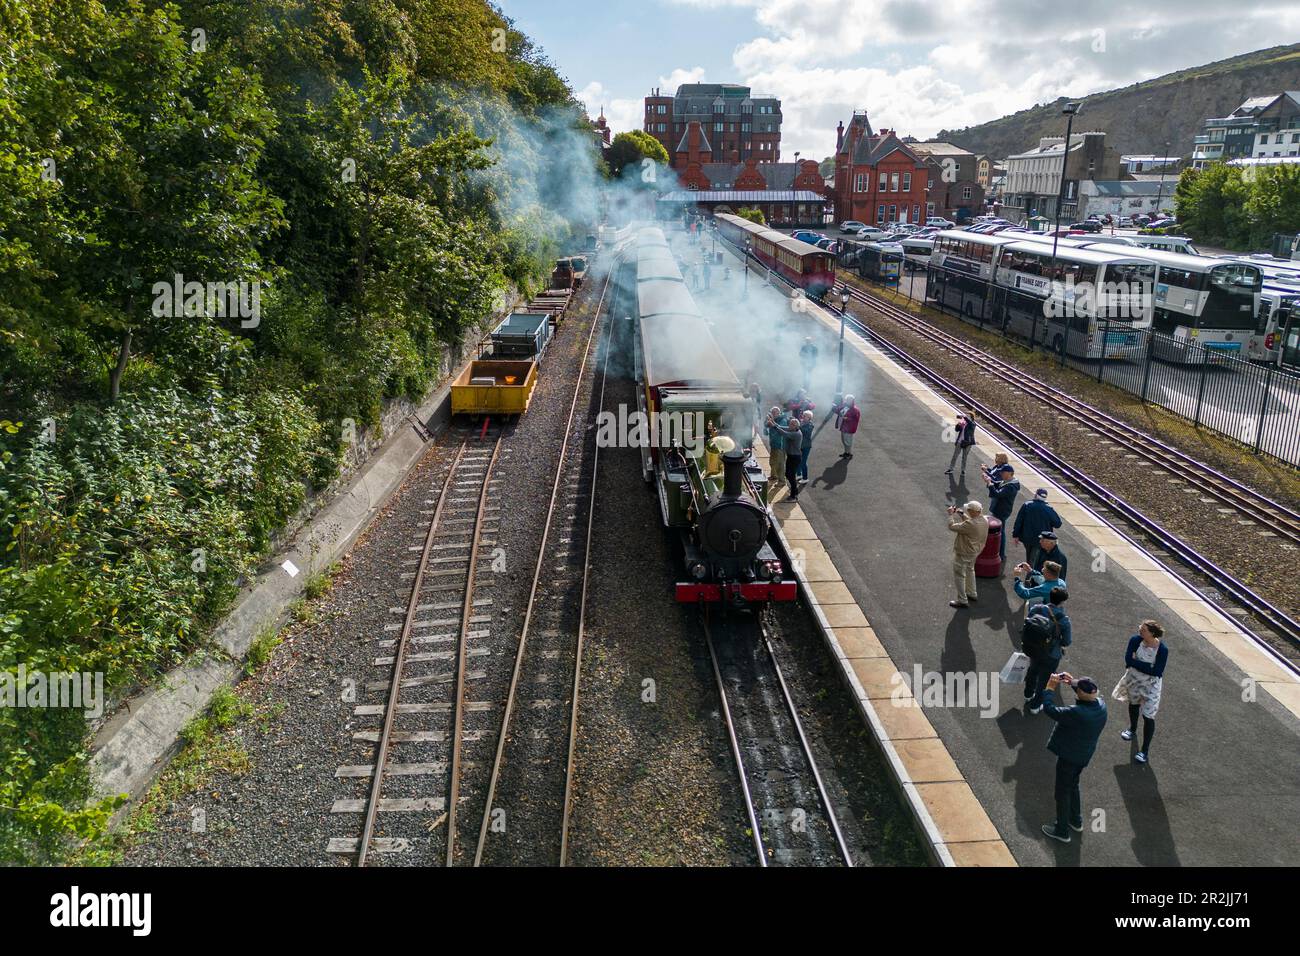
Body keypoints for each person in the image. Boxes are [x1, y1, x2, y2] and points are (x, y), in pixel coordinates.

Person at [1038, 673, 1107, 844]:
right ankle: (1075, 820)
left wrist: (1049, 689)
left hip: (1069, 756)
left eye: (1077, 689)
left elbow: (1050, 710)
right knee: (1073, 785)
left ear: (1082, 694)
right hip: (1083, 756)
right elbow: (1084, 692)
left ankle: (1062, 831)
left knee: (1062, 792)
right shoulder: (1101, 705)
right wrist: (1073, 683)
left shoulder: (1077, 712)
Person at [1112, 620, 1168, 764]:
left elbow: (1157, 671)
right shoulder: (1136, 640)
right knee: (1133, 704)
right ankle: (1132, 728)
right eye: (1140, 628)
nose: (1140, 631)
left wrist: (1135, 662)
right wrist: (1147, 665)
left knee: (1149, 716)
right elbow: (1127, 660)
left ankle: (1145, 750)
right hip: (1135, 680)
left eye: (1143, 630)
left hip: (1151, 685)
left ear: (1152, 633)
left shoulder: (1162, 649)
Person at [1022, 587, 1071, 713]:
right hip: (1051, 654)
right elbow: (1066, 641)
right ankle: (1035, 706)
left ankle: (1028, 694)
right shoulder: (1063, 619)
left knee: (1033, 671)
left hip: (1034, 647)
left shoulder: (1036, 608)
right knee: (1044, 681)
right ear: (1062, 602)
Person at [947, 500, 989, 609]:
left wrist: (951, 515)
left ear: (973, 511)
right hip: (975, 551)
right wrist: (962, 514)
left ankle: (962, 600)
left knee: (959, 574)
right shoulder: (984, 520)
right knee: (970, 570)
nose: (968, 511)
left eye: (969, 510)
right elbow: (971, 522)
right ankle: (972, 592)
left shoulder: (970, 524)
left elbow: (952, 526)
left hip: (964, 552)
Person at [1012, 488, 1062, 567]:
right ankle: (1031, 576)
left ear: (1035, 495)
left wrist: (1015, 535)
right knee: (1035, 561)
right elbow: (1058, 524)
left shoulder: (1027, 505)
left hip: (1027, 538)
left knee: (1030, 558)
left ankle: (1031, 574)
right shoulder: (1048, 509)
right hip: (1041, 540)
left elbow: (1019, 522)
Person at [984, 464, 1020, 563]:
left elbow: (998, 494)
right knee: (1000, 531)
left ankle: (1001, 553)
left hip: (1001, 511)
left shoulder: (1010, 486)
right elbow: (997, 483)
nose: (1001, 474)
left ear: (1010, 473)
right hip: (1000, 510)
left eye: (1003, 472)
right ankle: (999, 552)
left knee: (1000, 533)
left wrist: (990, 484)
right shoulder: (1007, 482)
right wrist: (989, 480)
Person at [776, 413, 804, 500]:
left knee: (791, 476)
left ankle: (793, 495)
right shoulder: (793, 430)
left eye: (792, 424)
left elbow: (784, 433)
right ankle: (794, 490)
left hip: (795, 457)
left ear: (796, 426)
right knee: (788, 474)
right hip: (791, 456)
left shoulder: (796, 434)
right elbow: (784, 428)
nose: (789, 425)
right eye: (790, 423)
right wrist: (775, 424)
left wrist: (774, 426)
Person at [765, 406, 787, 504]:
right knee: (772, 462)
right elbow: (766, 427)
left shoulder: (783, 420)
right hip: (773, 444)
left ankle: (782, 481)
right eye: (772, 413)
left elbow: (780, 429)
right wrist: (767, 423)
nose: (773, 414)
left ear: (778, 412)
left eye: (775, 413)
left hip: (780, 446)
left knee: (780, 464)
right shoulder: (772, 419)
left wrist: (772, 422)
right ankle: (773, 476)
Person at [945, 411, 977, 478]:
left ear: (971, 417)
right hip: (960, 441)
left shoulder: (973, 423)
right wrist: (958, 425)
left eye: (967, 416)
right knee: (955, 455)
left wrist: (965, 417)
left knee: (964, 457)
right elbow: (956, 430)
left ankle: (963, 470)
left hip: (967, 443)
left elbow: (971, 424)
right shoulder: (963, 423)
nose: (964, 417)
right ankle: (951, 469)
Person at [834, 394, 860, 459]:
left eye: (849, 400)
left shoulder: (855, 410)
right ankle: (846, 452)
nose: (847, 401)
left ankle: (849, 454)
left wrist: (847, 419)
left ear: (852, 401)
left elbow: (855, 419)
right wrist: (834, 407)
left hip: (849, 428)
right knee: (844, 441)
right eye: (847, 400)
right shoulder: (844, 406)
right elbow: (838, 411)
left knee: (848, 441)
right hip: (843, 427)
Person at [797, 410, 814, 481]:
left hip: (806, 446)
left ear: (809, 418)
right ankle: (799, 474)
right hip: (800, 445)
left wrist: (799, 426)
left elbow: (805, 432)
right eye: (803, 415)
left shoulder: (810, 425)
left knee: (803, 462)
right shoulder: (801, 423)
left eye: (805, 416)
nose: (803, 417)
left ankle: (805, 478)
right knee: (798, 460)